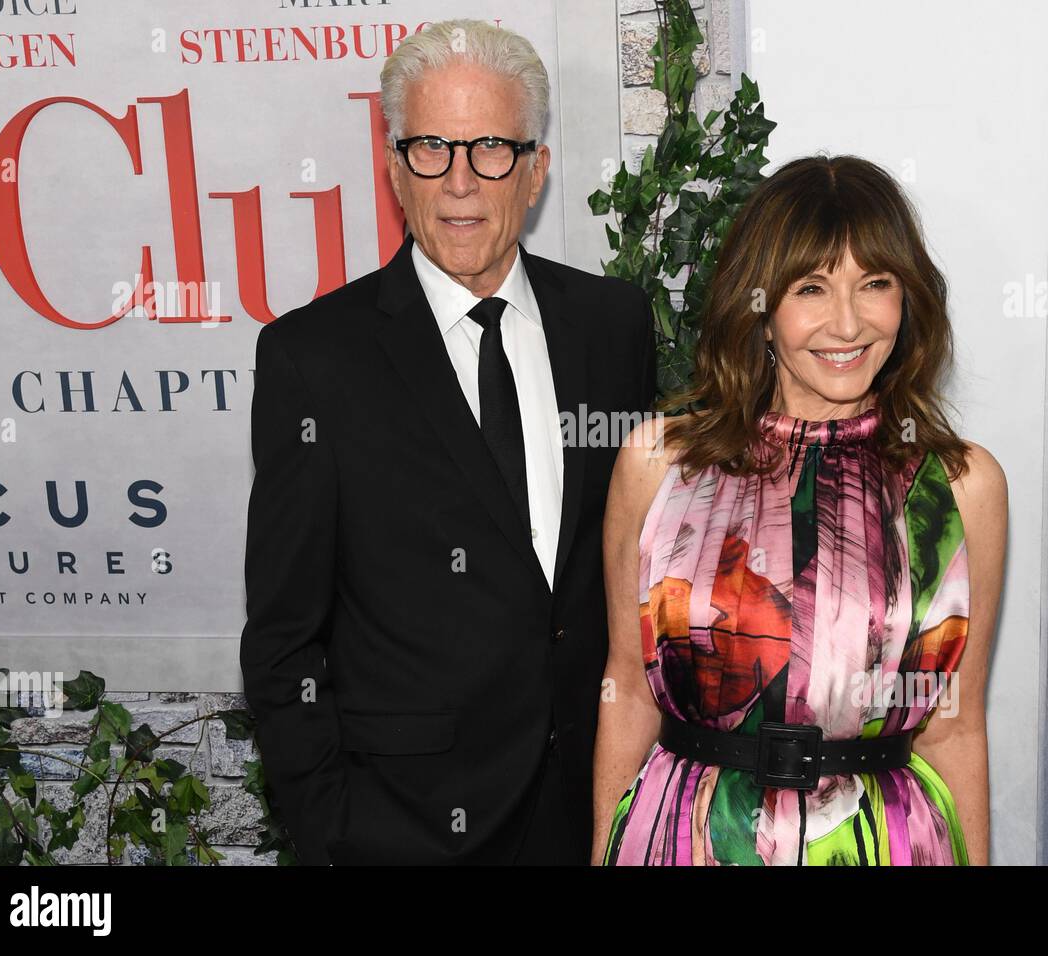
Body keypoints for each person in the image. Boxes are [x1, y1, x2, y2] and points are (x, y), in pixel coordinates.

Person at [240, 19, 656, 865]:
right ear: (394, 167)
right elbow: (283, 638)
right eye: (430, 148)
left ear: (537, 169)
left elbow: (631, 575)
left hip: (594, 810)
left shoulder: (613, 326)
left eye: (492, 150)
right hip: (404, 827)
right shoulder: (314, 360)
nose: (460, 182)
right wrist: (334, 833)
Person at [592, 154, 1008, 866]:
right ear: (759, 307)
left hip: (879, 845)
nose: (847, 323)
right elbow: (628, 692)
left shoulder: (958, 485)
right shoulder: (660, 462)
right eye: (811, 287)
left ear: (907, 300)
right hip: (688, 841)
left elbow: (954, 727)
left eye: (875, 284)